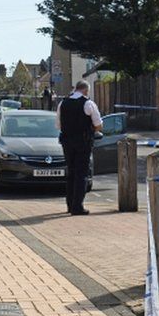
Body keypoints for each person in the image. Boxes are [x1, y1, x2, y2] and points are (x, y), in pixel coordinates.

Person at [56, 80, 102, 215]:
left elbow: (58, 125)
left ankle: (70, 205)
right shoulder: (88, 103)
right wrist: (90, 130)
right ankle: (77, 207)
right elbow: (98, 125)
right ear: (86, 90)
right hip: (83, 142)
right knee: (81, 174)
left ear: (75, 89)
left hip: (67, 142)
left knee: (71, 172)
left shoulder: (63, 103)